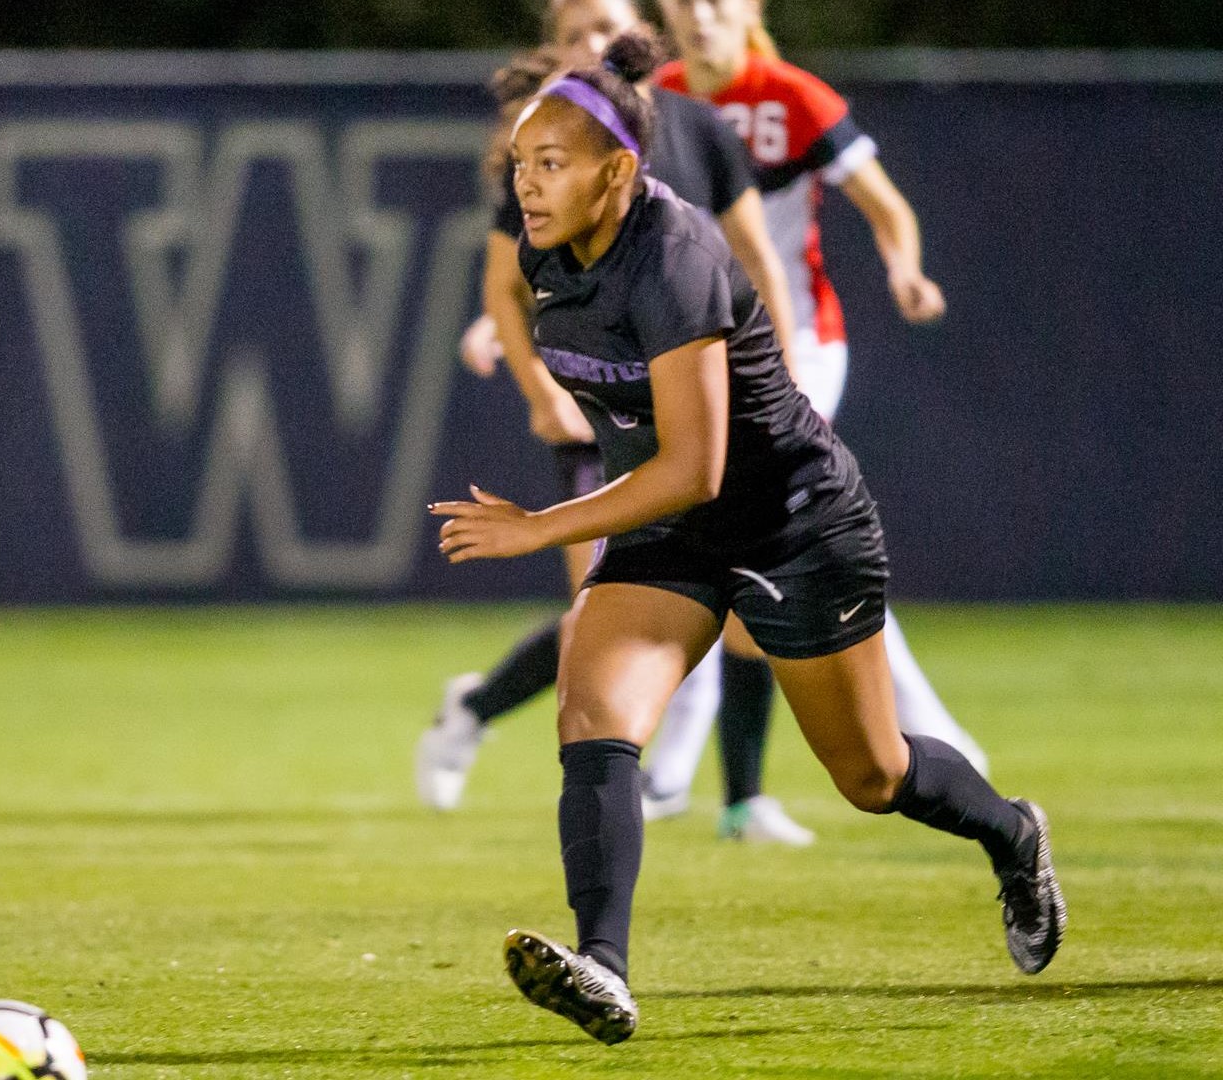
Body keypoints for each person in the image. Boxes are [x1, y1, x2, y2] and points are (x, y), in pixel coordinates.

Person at [429, 32, 1064, 1044]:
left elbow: (698, 468)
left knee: (871, 776)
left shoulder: (673, 256)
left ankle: (1010, 830)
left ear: (620, 170)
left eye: (551, 164)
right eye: (519, 165)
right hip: (675, 531)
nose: (528, 187)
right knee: (591, 712)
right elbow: (599, 399)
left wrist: (540, 528)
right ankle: (604, 967)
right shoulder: (548, 245)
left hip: (790, 522)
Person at [418, 0, 816, 845]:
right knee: (603, 617)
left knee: (743, 612)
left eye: (606, 29)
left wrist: (786, 371)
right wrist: (541, 388)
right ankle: (531, 732)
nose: (593, 46)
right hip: (604, 422)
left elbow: (756, 261)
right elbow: (508, 286)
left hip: (705, 414)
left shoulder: (697, 132)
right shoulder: (543, 152)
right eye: (575, 34)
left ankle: (740, 798)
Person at [644, 0, 992, 782]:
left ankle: (672, 768)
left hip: (799, 347)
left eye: (716, 1)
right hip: (704, 349)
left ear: (750, 10)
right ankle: (692, 772)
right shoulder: (659, 97)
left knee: (734, 530)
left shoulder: (795, 98)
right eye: (683, 1)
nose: (699, 16)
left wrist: (905, 269)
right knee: (759, 540)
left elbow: (886, 205)